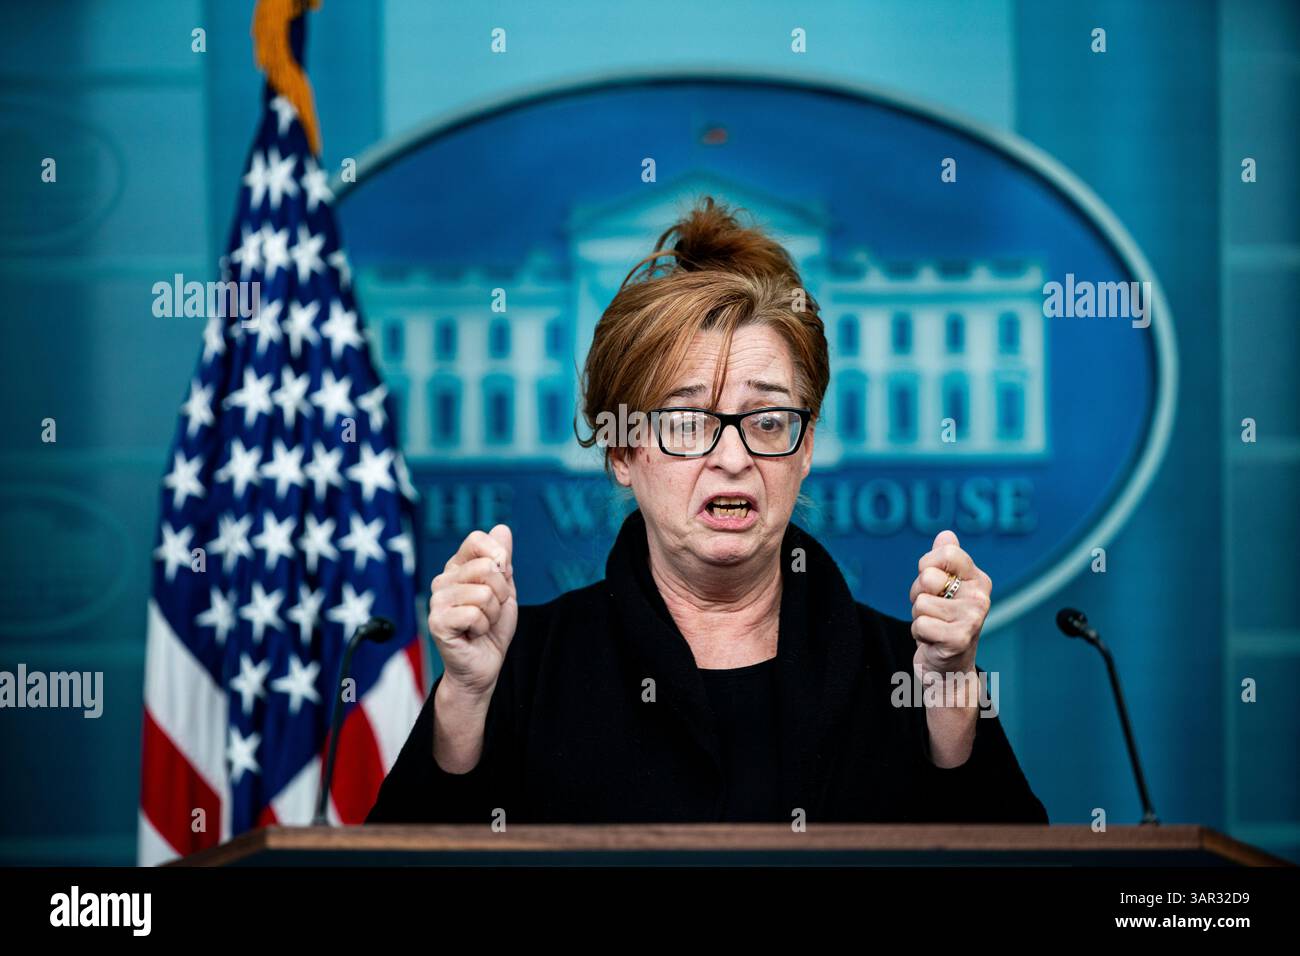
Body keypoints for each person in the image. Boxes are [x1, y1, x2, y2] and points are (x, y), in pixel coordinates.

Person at [366, 196, 1048, 825]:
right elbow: (396, 887)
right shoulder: (524, 666)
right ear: (622, 451)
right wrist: (465, 696)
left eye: (768, 420)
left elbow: (1016, 882)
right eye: (688, 421)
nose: (732, 456)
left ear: (806, 447)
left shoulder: (908, 668)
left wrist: (951, 692)